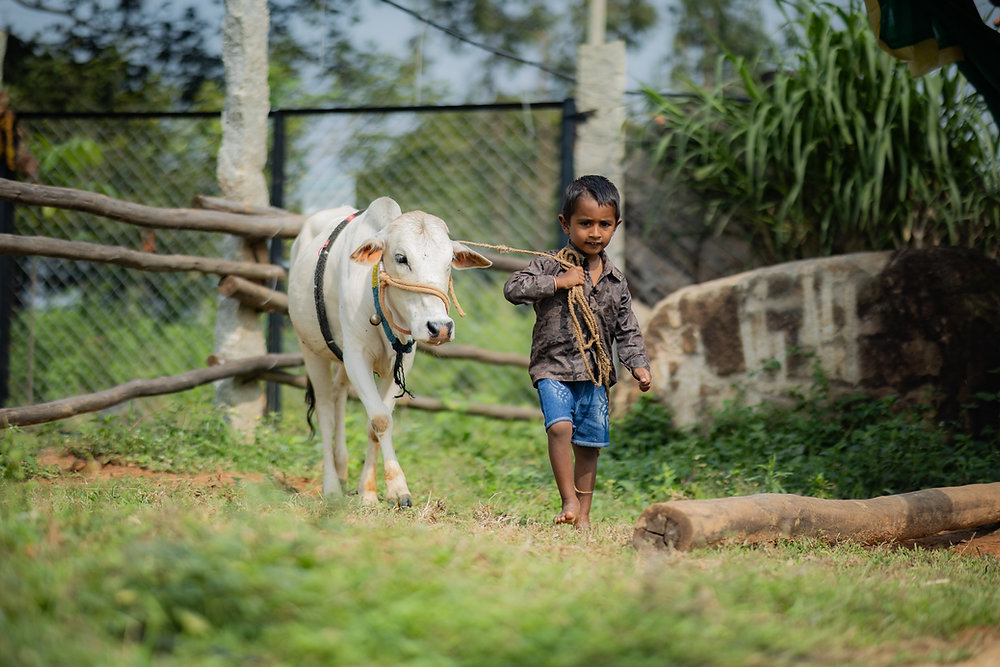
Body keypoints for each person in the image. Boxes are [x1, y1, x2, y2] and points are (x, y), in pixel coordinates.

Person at [503, 175, 652, 530]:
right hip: (552, 367)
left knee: (589, 445)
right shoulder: (549, 265)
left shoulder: (616, 280)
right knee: (559, 429)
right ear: (565, 224)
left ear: (616, 226)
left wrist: (638, 364)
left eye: (604, 224)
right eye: (585, 223)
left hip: (595, 373)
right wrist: (557, 283)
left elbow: (626, 327)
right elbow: (513, 288)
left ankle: (581, 516)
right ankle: (568, 499)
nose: (595, 232)